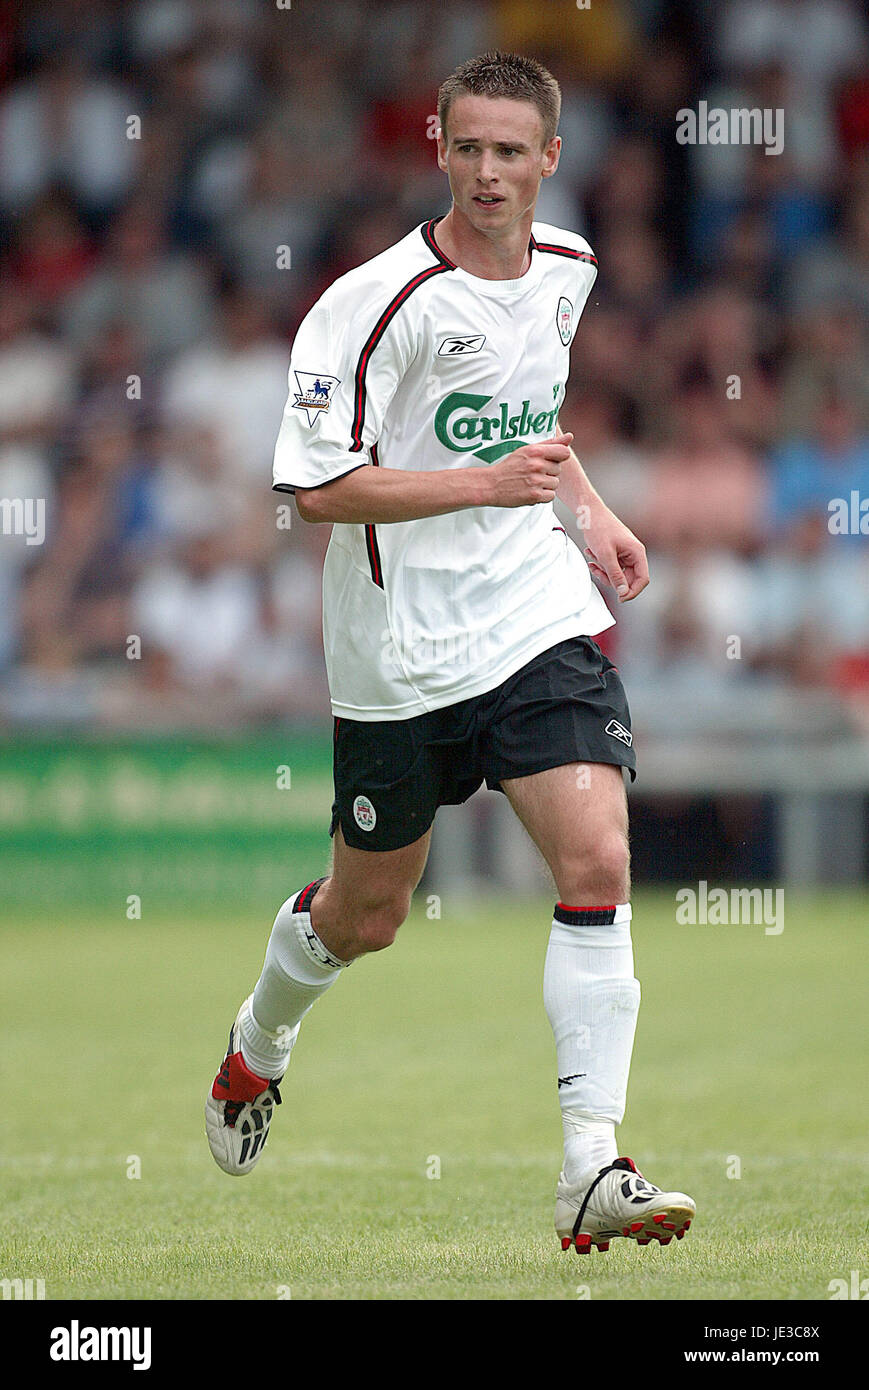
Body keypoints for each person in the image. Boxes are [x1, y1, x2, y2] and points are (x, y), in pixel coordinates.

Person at [206, 51, 695, 1255]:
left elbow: (533, 418)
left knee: (597, 855)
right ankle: (258, 1043)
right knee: (366, 915)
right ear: (435, 146)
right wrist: (484, 483)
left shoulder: (569, 265)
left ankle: (591, 1166)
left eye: (509, 151)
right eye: (466, 146)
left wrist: (588, 512)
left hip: (531, 615)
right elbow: (316, 491)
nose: (487, 171)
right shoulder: (371, 304)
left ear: (549, 159)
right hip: (399, 649)